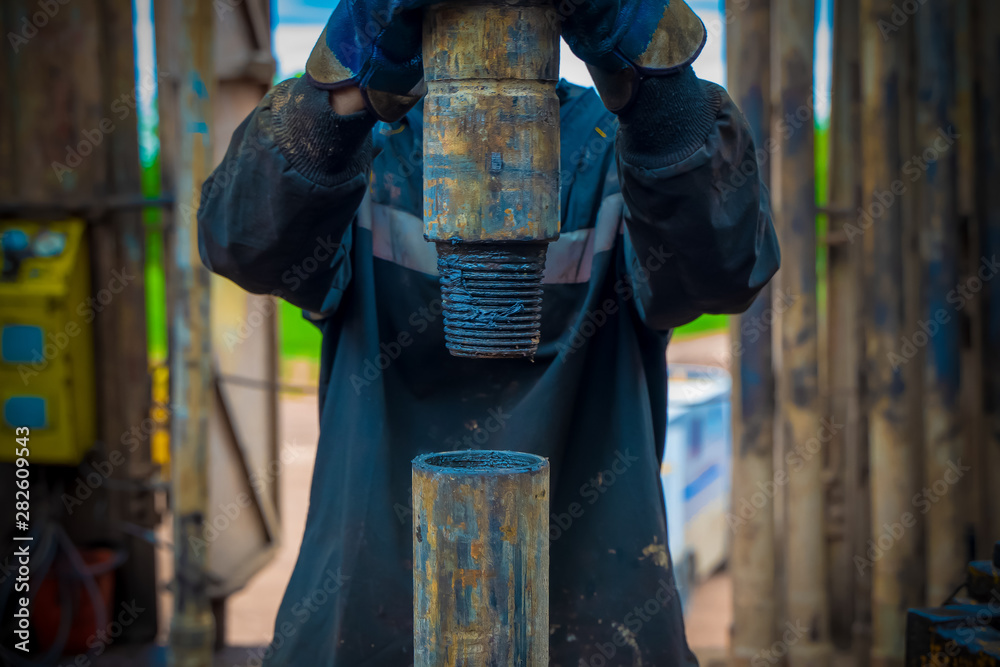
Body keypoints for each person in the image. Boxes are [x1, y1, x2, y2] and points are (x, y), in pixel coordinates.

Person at [197, 0, 780, 664]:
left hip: (590, 617)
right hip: (369, 616)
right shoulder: (366, 153)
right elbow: (240, 239)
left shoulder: (618, 152)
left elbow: (726, 265)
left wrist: (656, 79)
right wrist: (349, 75)